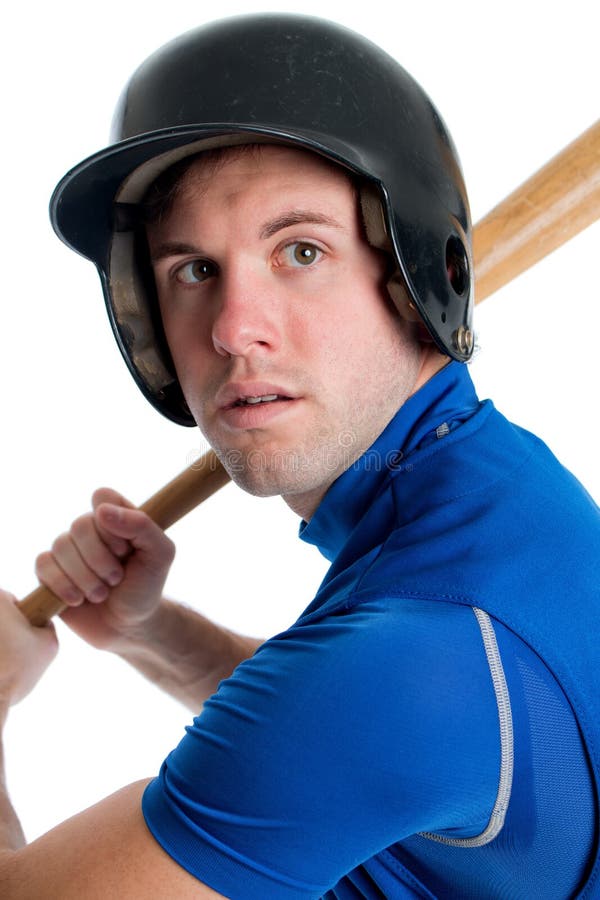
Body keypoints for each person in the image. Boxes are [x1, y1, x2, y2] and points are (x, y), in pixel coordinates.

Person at [1, 13, 598, 899]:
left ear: (416, 281)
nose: (236, 331)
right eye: (194, 271)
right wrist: (147, 632)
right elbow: (341, 748)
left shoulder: (407, 663)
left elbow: (341, 715)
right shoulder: (498, 495)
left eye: (301, 251)